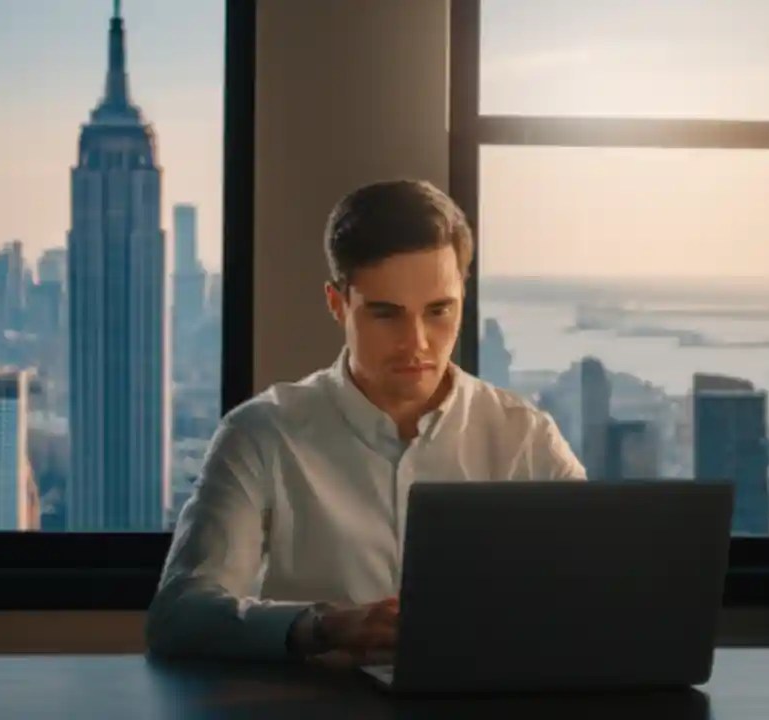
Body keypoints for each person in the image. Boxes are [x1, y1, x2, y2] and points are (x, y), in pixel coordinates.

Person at [145, 179, 585, 666]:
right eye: (386, 315)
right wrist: (325, 625)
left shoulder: (526, 437)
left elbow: (601, 591)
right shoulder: (262, 434)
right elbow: (180, 616)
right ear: (338, 304)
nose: (417, 342)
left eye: (439, 311)